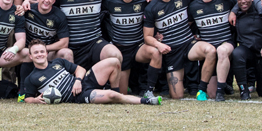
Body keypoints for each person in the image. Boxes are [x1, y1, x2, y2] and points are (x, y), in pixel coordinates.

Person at [18, 40, 162, 105]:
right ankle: (146, 101)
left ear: (46, 52)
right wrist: (36, 100)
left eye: (42, 51)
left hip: (84, 82)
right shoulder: (32, 78)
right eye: (35, 53)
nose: (39, 54)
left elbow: (79, 69)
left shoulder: (58, 62)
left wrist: (78, 81)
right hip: (79, 96)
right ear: (30, 56)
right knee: (112, 96)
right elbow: (27, 98)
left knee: (114, 61)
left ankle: (116, 92)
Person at [142, 0, 213, 100]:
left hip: (189, 44)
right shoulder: (151, 8)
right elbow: (147, 37)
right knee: (177, 96)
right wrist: (159, 44)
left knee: (210, 50)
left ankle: (201, 90)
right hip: (171, 51)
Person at [188, 0, 236, 100]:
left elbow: (240, 4)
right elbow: (187, 24)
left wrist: (234, 12)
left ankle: (221, 91)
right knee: (211, 94)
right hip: (208, 48)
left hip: (225, 43)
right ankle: (219, 86)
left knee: (221, 50)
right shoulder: (193, 6)